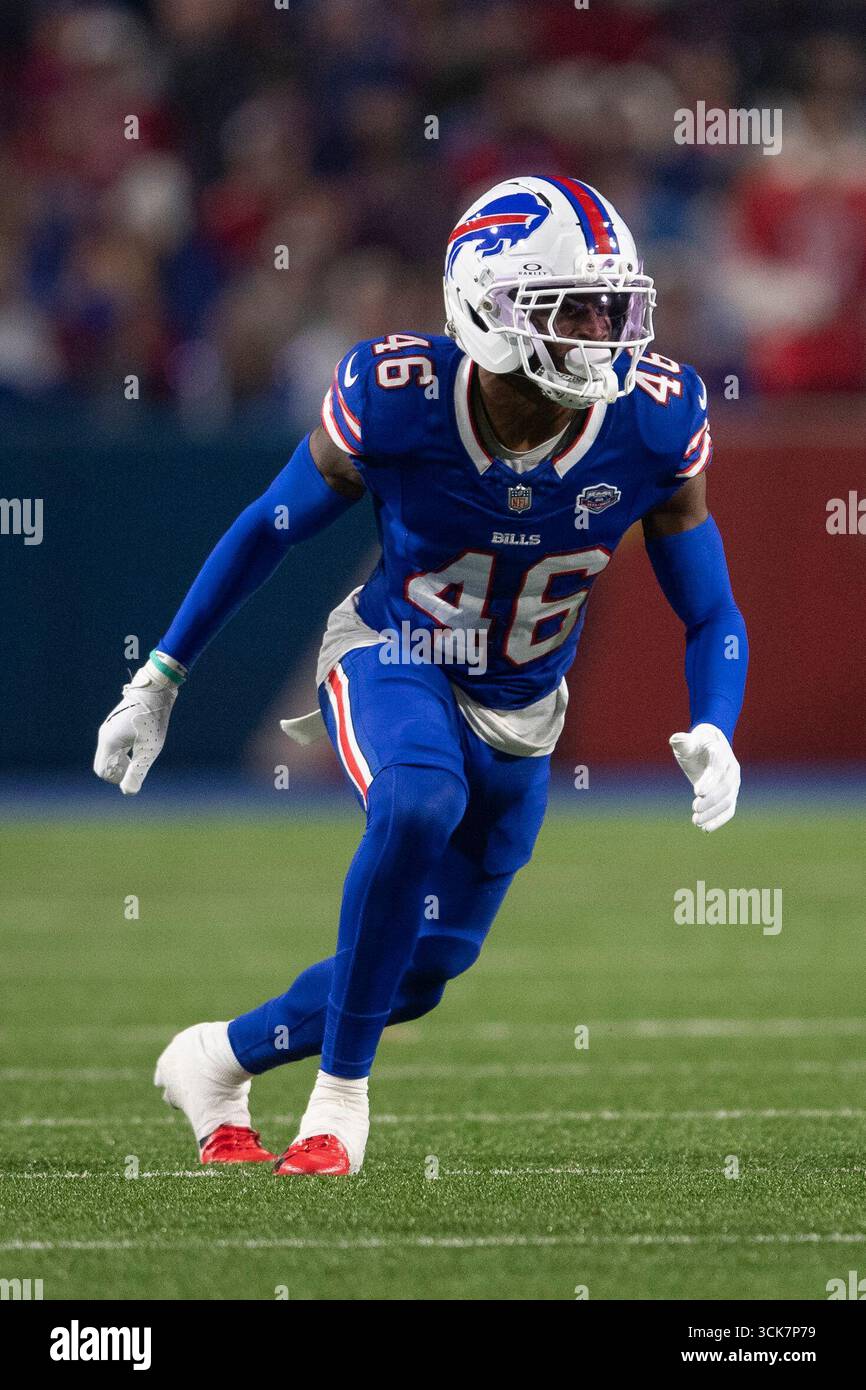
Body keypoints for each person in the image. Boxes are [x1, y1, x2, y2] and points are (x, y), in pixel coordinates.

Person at [94, 176, 747, 1175]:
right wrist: (162, 674)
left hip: (523, 708)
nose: (601, 332)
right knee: (414, 801)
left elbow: (708, 608)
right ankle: (337, 1102)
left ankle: (215, 1057)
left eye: (608, 306)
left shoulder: (651, 422)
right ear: (486, 305)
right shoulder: (397, 398)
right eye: (569, 307)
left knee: (426, 968)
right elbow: (267, 527)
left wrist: (715, 723)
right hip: (394, 652)